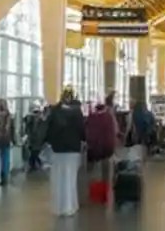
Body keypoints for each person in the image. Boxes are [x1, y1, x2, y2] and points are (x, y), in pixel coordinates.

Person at [45, 86, 85, 216]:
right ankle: (70, 206)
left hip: (57, 149)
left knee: (58, 179)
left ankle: (58, 207)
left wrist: (50, 143)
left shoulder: (55, 111)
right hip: (73, 149)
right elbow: (82, 131)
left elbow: (48, 130)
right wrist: (83, 141)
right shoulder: (77, 112)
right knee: (71, 179)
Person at [85, 100, 119, 184]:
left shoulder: (92, 117)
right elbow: (116, 131)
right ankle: (106, 186)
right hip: (108, 149)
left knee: (90, 169)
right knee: (106, 169)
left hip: (94, 149)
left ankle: (92, 184)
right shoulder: (109, 117)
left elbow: (88, 133)